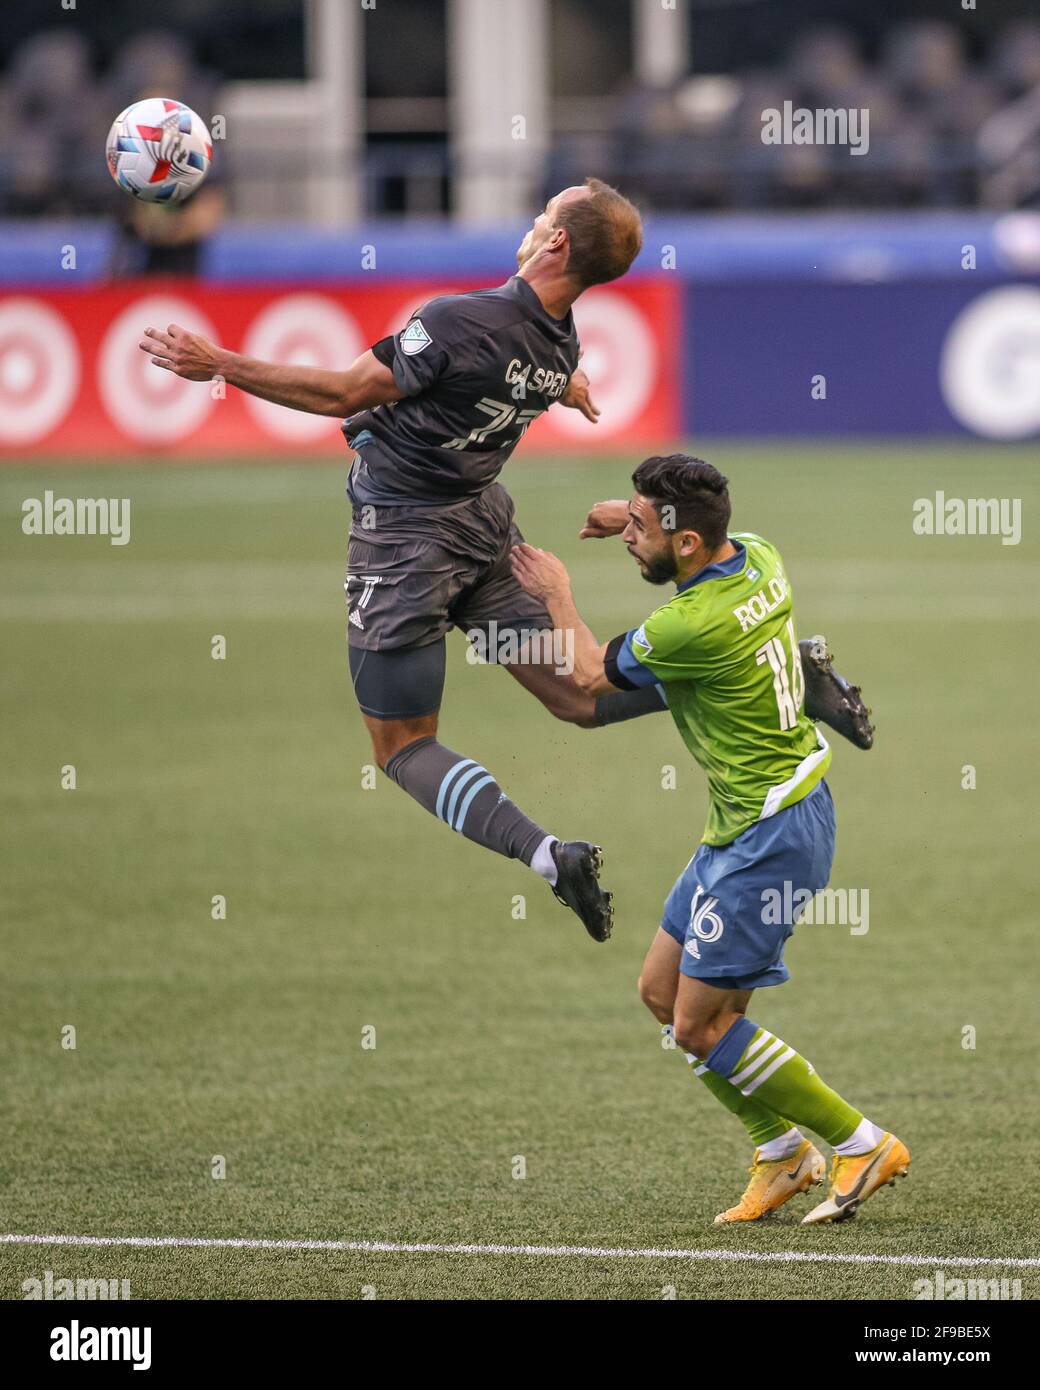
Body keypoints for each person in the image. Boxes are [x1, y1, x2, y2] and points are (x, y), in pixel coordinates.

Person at [140, 178, 651, 944]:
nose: (534, 218)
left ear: (558, 244)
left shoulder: (461, 319)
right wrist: (565, 384)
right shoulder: (561, 338)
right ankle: (757, 670)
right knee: (578, 696)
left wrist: (220, 364)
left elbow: (347, 394)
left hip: (408, 548)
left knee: (404, 744)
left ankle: (548, 855)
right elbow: (530, 374)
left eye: (544, 213)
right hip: (485, 536)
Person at [510, 454, 909, 1225]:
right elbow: (694, 528)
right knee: (662, 994)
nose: (627, 534)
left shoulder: (687, 623)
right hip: (745, 824)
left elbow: (591, 675)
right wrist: (624, 512)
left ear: (685, 542)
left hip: (773, 835)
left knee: (699, 1023)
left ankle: (859, 1143)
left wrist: (557, 592)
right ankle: (782, 1153)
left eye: (638, 524)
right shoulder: (758, 554)